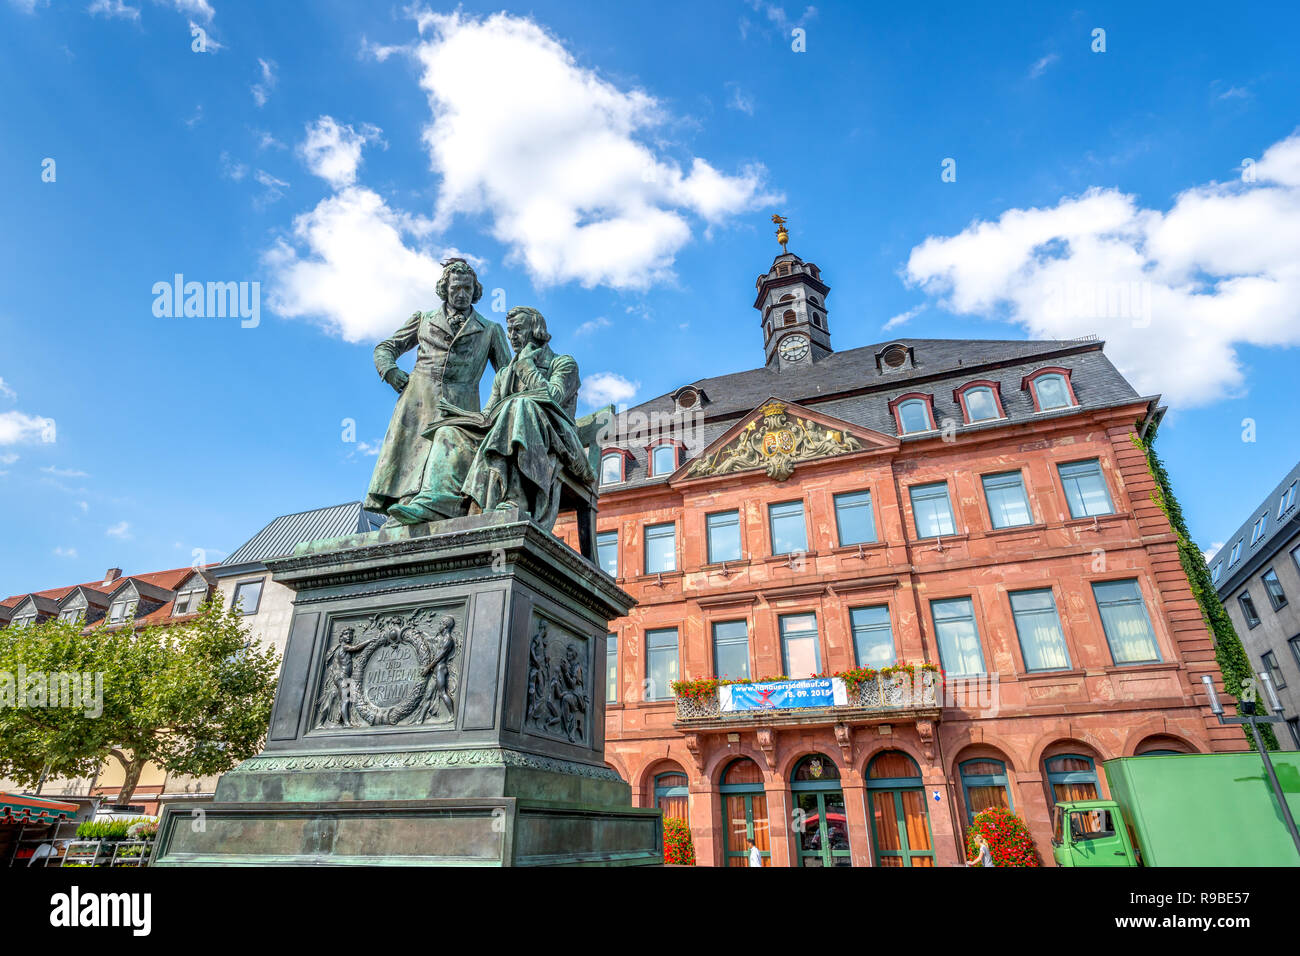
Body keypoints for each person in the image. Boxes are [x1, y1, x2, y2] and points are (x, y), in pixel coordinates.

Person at [390, 306, 593, 531]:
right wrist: (459, 416)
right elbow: (488, 414)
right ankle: (438, 502)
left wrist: (527, 368)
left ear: (536, 331)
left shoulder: (563, 363)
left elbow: (553, 398)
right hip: (504, 431)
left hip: (557, 441)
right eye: (509, 330)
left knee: (519, 406)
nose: (511, 336)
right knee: (449, 432)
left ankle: (517, 498)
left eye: (518, 330)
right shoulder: (504, 374)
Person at [365, 259, 510, 518]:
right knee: (410, 458)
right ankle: (407, 509)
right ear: (445, 289)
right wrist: (390, 371)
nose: (462, 294)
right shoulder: (423, 319)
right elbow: (386, 347)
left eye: (467, 288)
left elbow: (509, 375)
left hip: (461, 405)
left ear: (475, 290)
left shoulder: (490, 330)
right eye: (456, 288)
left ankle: (443, 507)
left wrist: (493, 412)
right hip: (418, 399)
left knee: (449, 462)